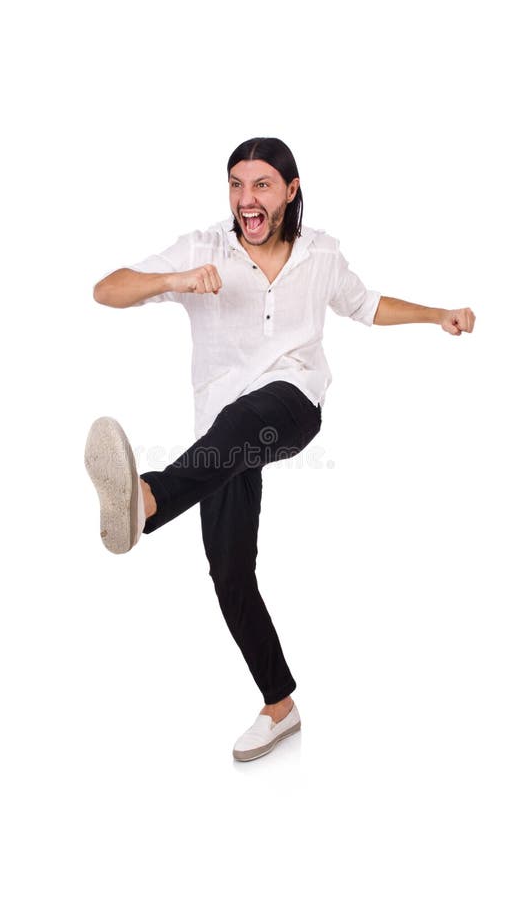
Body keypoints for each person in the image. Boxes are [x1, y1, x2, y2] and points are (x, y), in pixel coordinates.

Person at [85, 137, 475, 762]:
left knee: (246, 417)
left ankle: (149, 498)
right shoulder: (203, 248)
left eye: (261, 184)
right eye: (236, 184)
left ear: (291, 190)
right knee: (230, 573)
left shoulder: (320, 253)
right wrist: (176, 279)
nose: (247, 198)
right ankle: (280, 705)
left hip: (291, 405)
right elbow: (107, 289)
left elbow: (366, 305)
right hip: (215, 443)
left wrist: (438, 314)